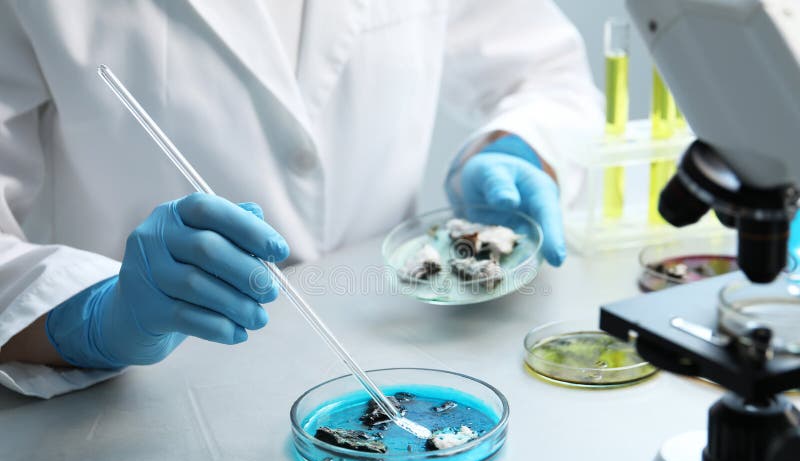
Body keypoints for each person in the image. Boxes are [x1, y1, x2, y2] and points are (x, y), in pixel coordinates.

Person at [0, 0, 602, 397]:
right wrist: (92, 317)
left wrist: (519, 145)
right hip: (143, 399)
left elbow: (544, 73)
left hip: (401, 343)